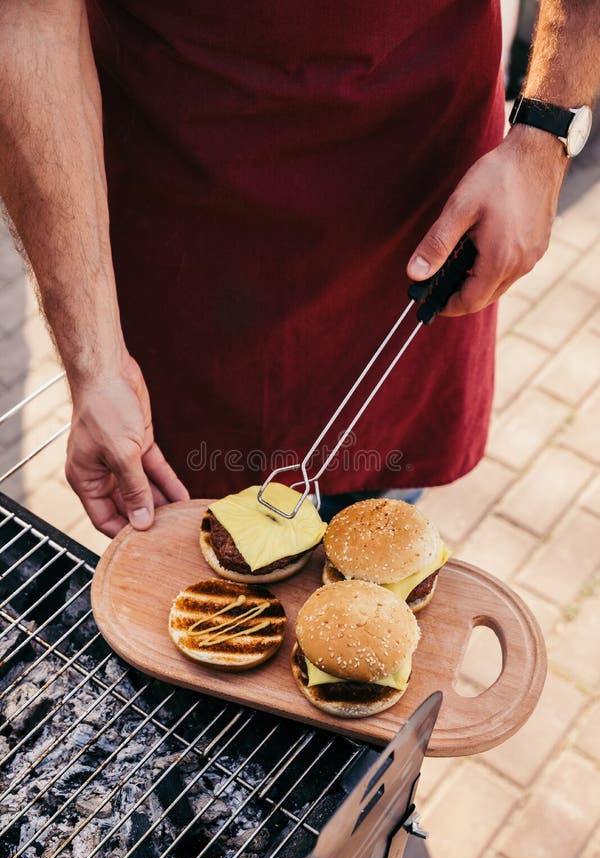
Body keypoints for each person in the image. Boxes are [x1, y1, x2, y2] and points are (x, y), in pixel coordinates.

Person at [0, 1, 598, 538]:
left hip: (414, 202)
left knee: (369, 549)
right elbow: (29, 19)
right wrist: (94, 362)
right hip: (179, 210)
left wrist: (544, 140)